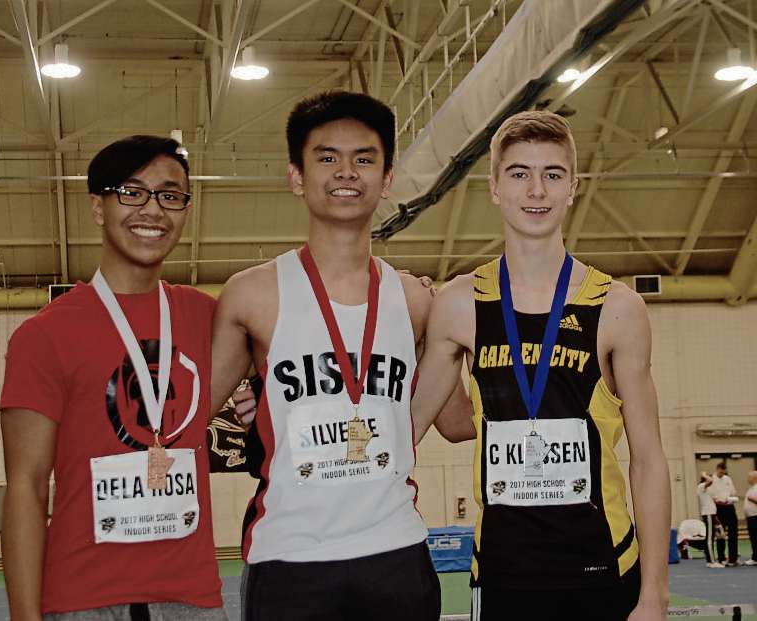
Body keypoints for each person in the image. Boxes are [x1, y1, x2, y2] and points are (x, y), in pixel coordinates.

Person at [411, 110, 671, 621]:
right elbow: (411, 426)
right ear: (494, 187)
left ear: (573, 187)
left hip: (603, 567)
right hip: (503, 574)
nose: (537, 190)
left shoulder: (617, 307)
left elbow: (650, 459)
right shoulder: (460, 302)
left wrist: (654, 594)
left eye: (553, 174)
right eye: (519, 174)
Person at [210, 91, 448, 620]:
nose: (347, 172)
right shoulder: (253, 294)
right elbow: (191, 413)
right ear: (297, 176)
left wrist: (448, 329)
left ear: (386, 180)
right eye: (327, 158)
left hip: (396, 551)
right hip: (290, 557)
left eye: (364, 158)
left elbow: (456, 423)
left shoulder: (413, 300)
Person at [0, 135, 226, 621]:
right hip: (84, 600)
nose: (153, 210)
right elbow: (26, 486)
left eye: (170, 195)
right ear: (98, 208)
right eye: (131, 192)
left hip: (193, 600)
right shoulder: (43, 336)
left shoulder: (210, 319)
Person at [708, 461, 739, 566]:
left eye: (723, 472)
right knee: (720, 534)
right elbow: (710, 496)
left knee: (733, 533)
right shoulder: (711, 479)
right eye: (720, 472)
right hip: (718, 508)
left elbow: (733, 492)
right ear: (717, 469)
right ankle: (721, 558)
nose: (722, 474)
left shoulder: (727, 479)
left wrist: (729, 499)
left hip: (729, 506)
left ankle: (733, 559)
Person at [697, 473, 723, 568]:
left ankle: (709, 560)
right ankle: (712, 561)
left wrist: (716, 518)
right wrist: (704, 474)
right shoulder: (701, 486)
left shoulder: (706, 489)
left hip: (711, 514)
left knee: (710, 537)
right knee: (709, 538)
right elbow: (710, 481)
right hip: (708, 514)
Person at [744, 470, 757, 566]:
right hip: (751, 516)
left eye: (749, 477)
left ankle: (755, 558)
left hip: (755, 516)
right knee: (753, 538)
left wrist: (753, 500)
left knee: (755, 537)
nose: (748, 479)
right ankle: (755, 557)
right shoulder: (751, 488)